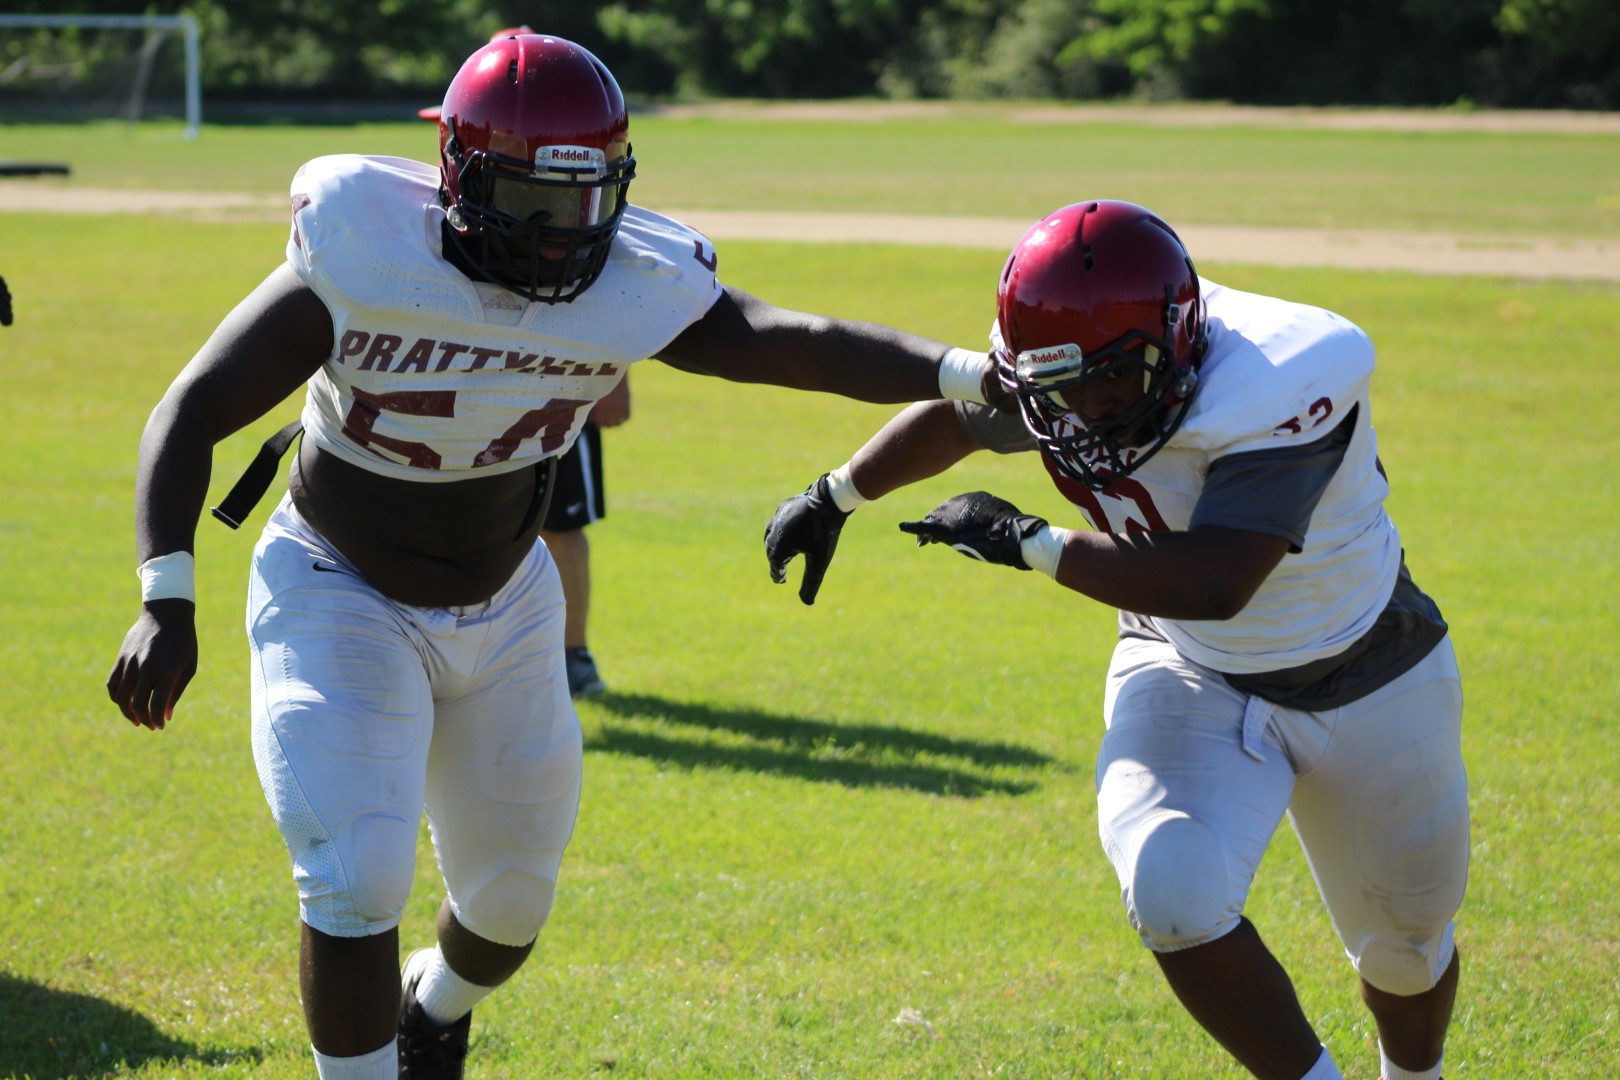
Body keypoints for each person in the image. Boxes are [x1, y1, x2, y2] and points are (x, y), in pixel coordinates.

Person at [105, 34, 996, 1080]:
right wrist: (166, 595)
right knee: (357, 873)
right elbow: (193, 406)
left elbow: (791, 340)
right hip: (340, 585)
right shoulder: (366, 249)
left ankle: (431, 1011)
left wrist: (968, 371)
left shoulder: (630, 282)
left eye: (581, 203)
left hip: (508, 598)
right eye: (530, 201)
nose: (560, 236)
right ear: (461, 177)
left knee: (511, 900)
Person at [763, 200, 1468, 1080]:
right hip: (1188, 662)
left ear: (1180, 338)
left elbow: (1216, 580)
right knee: (1174, 887)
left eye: (1114, 382)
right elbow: (955, 416)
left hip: (1368, 662)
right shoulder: (1066, 372)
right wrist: (834, 495)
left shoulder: (1281, 375)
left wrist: (1031, 542)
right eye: (1065, 390)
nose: (1090, 410)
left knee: (1405, 948)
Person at [539, 372, 629, 697]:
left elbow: (615, 317)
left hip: (564, 387)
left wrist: (616, 380)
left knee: (563, 526)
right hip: (483, 382)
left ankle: (573, 657)